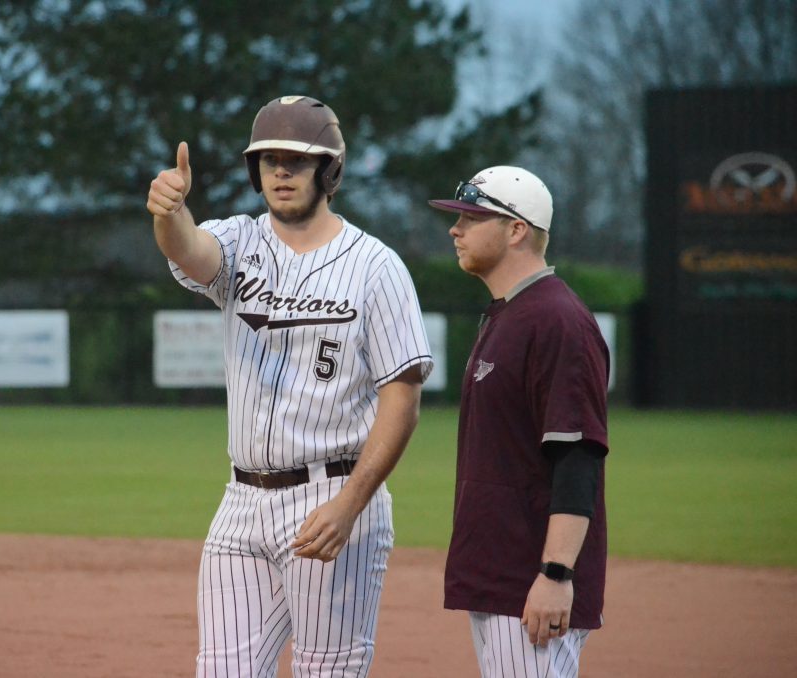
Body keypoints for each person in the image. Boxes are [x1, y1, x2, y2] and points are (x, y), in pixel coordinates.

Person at [147, 95, 433, 677]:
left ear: (329, 171)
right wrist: (170, 211)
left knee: (326, 670)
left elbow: (401, 403)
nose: (281, 170)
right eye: (269, 159)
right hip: (241, 502)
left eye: (297, 160)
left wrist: (351, 505)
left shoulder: (376, 268)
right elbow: (191, 250)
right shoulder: (239, 242)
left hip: (332, 495)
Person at [428, 166, 610, 678]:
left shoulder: (557, 320)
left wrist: (555, 573)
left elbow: (577, 455)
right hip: (498, 568)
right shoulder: (508, 313)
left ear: (516, 230)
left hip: (531, 580)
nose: (455, 229)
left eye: (470, 216)